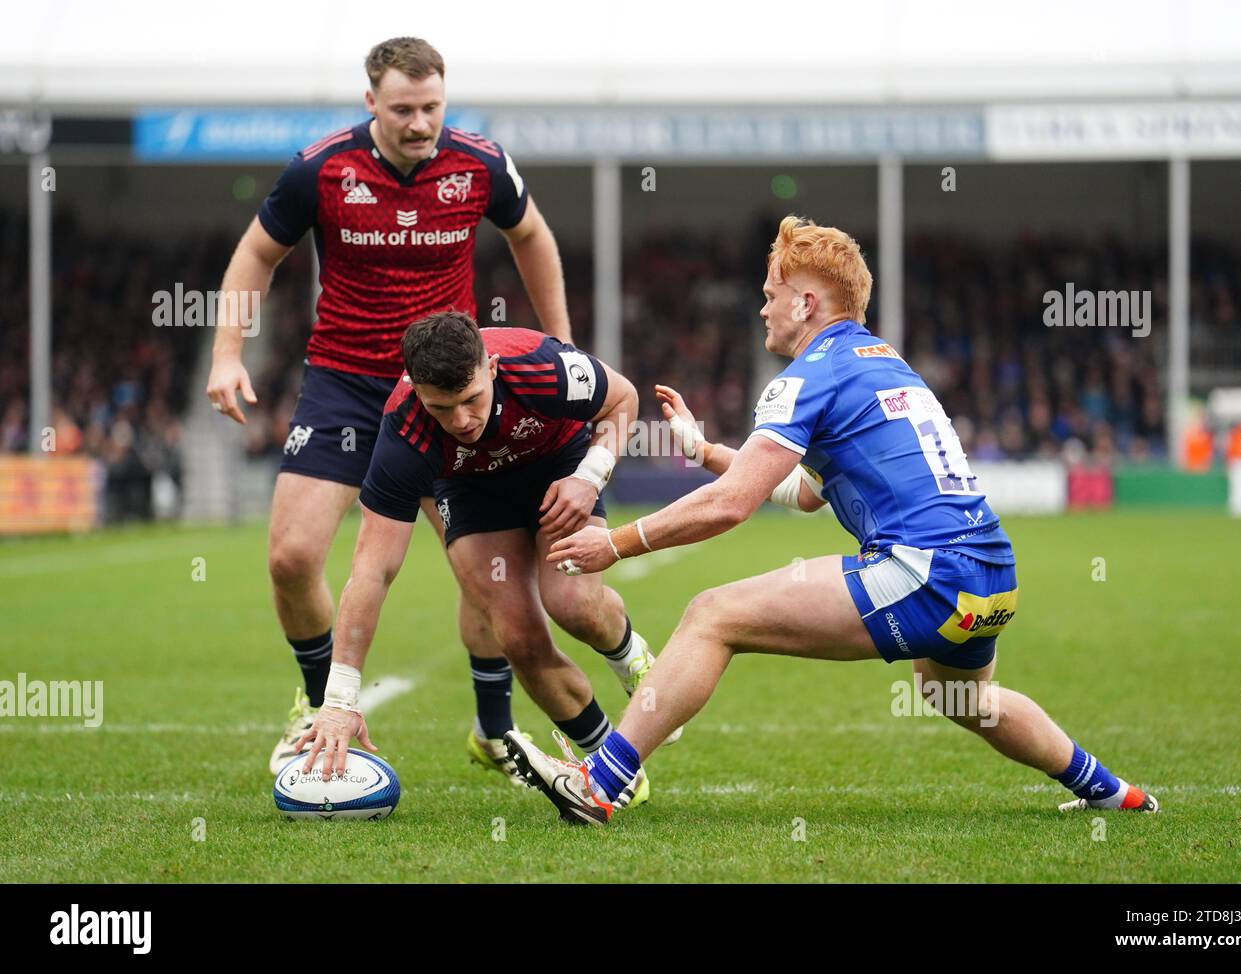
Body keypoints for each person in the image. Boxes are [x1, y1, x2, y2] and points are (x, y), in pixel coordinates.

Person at [504, 215, 1159, 824]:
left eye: (771, 292)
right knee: (964, 698)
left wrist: (614, 543)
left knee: (711, 615)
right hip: (989, 575)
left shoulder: (810, 376)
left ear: (807, 303)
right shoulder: (879, 362)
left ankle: (600, 783)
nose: (762, 306)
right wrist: (706, 452)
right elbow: (807, 493)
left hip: (925, 573)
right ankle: (1111, 791)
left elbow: (734, 504)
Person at [203, 37, 576, 773]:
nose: (420, 123)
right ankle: (322, 712)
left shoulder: (481, 164)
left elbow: (531, 233)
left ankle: (494, 730)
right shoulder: (320, 169)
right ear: (370, 101)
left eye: (431, 107)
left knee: (488, 575)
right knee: (291, 556)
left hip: (446, 393)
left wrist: (560, 344)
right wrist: (224, 353)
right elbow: (256, 254)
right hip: (345, 381)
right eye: (403, 109)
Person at [292, 312, 680, 802]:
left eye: (471, 399)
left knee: (573, 604)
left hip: (559, 468)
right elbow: (372, 570)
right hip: (471, 492)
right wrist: (339, 701)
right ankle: (611, 767)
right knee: (517, 634)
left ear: (491, 367)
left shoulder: (541, 366)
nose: (460, 421)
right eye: (442, 408)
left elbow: (622, 397)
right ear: (416, 391)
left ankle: (630, 656)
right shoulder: (404, 434)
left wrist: (590, 475)